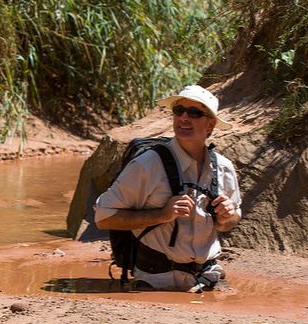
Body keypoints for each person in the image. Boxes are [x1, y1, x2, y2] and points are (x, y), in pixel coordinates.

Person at [94, 85, 241, 292]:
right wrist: (162, 215)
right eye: (179, 110)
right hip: (156, 280)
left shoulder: (224, 167)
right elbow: (103, 218)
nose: (184, 118)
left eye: (194, 113)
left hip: (208, 277)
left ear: (210, 124)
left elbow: (229, 224)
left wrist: (227, 217)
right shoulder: (147, 164)